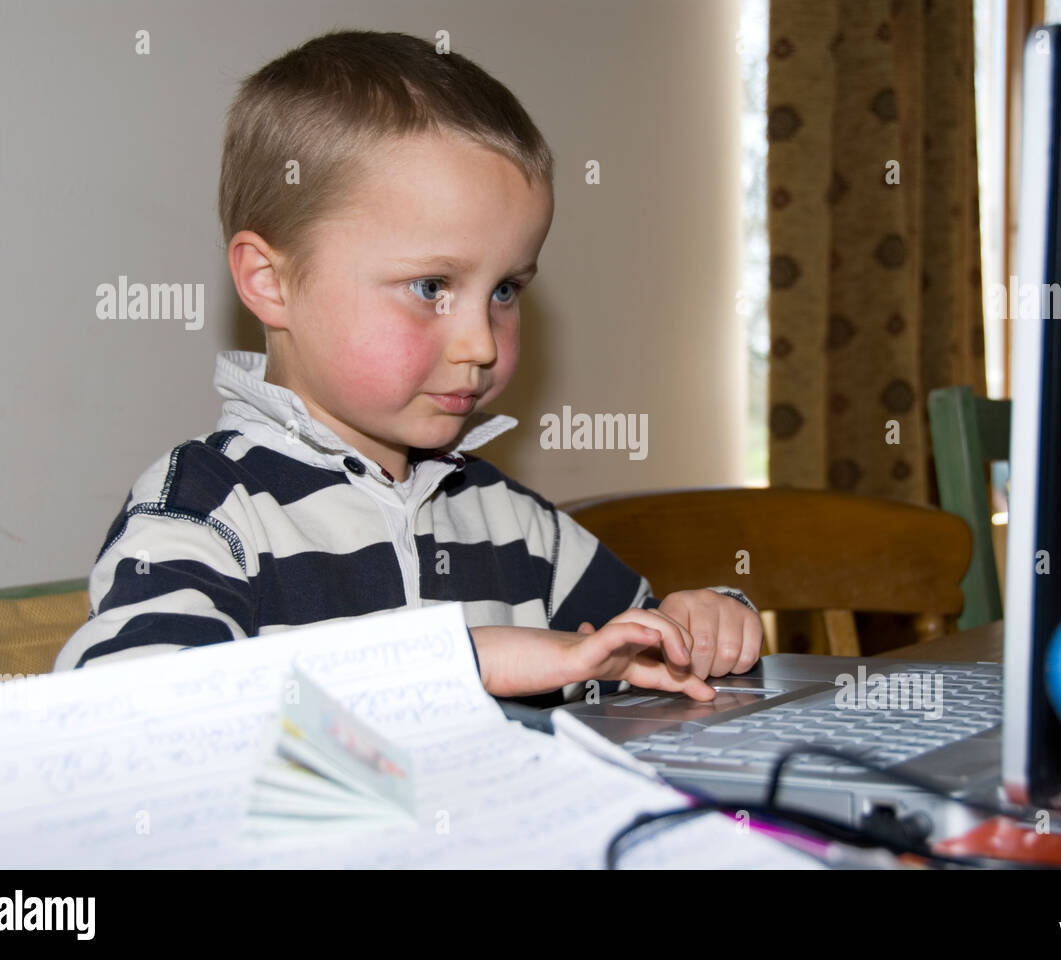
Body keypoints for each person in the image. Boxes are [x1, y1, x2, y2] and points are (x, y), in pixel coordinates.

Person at [54, 30, 763, 706]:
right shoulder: (208, 510)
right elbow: (132, 707)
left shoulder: (511, 523)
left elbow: (636, 652)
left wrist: (702, 622)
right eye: (432, 287)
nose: (480, 344)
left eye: (506, 290)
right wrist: (458, 660)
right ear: (270, 281)